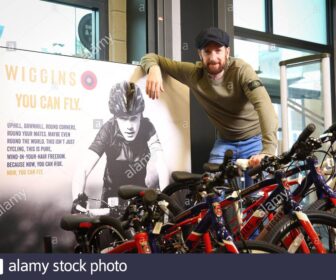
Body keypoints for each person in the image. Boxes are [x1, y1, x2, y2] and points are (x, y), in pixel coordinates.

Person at [140, 27, 278, 187]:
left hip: (255, 140)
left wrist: (268, 150)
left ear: (227, 51)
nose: (213, 58)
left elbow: (264, 106)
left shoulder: (241, 70)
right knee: (213, 189)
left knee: (257, 194)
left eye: (218, 51)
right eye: (207, 51)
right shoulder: (193, 74)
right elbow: (150, 57)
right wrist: (154, 69)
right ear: (200, 54)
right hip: (226, 142)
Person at [72, 81, 169, 215]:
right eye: (123, 119)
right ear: (115, 117)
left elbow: (161, 164)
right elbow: (83, 168)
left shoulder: (148, 127)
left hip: (139, 196)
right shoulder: (108, 129)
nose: (129, 126)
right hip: (111, 197)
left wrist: (165, 200)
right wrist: (77, 199)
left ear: (141, 115)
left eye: (133, 118)